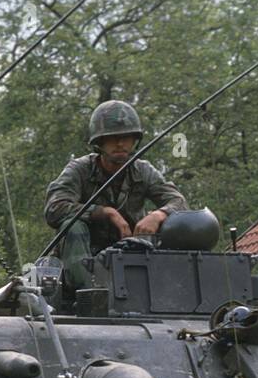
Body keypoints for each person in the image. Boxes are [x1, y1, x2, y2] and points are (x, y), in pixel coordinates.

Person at [44, 100, 187, 292]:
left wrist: (158, 215)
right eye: (113, 138)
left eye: (126, 137)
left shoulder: (142, 170)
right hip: (84, 257)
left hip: (129, 254)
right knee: (72, 225)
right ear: (99, 142)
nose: (120, 143)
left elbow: (179, 202)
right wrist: (105, 212)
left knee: (174, 226)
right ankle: (87, 295)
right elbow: (55, 208)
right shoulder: (79, 170)